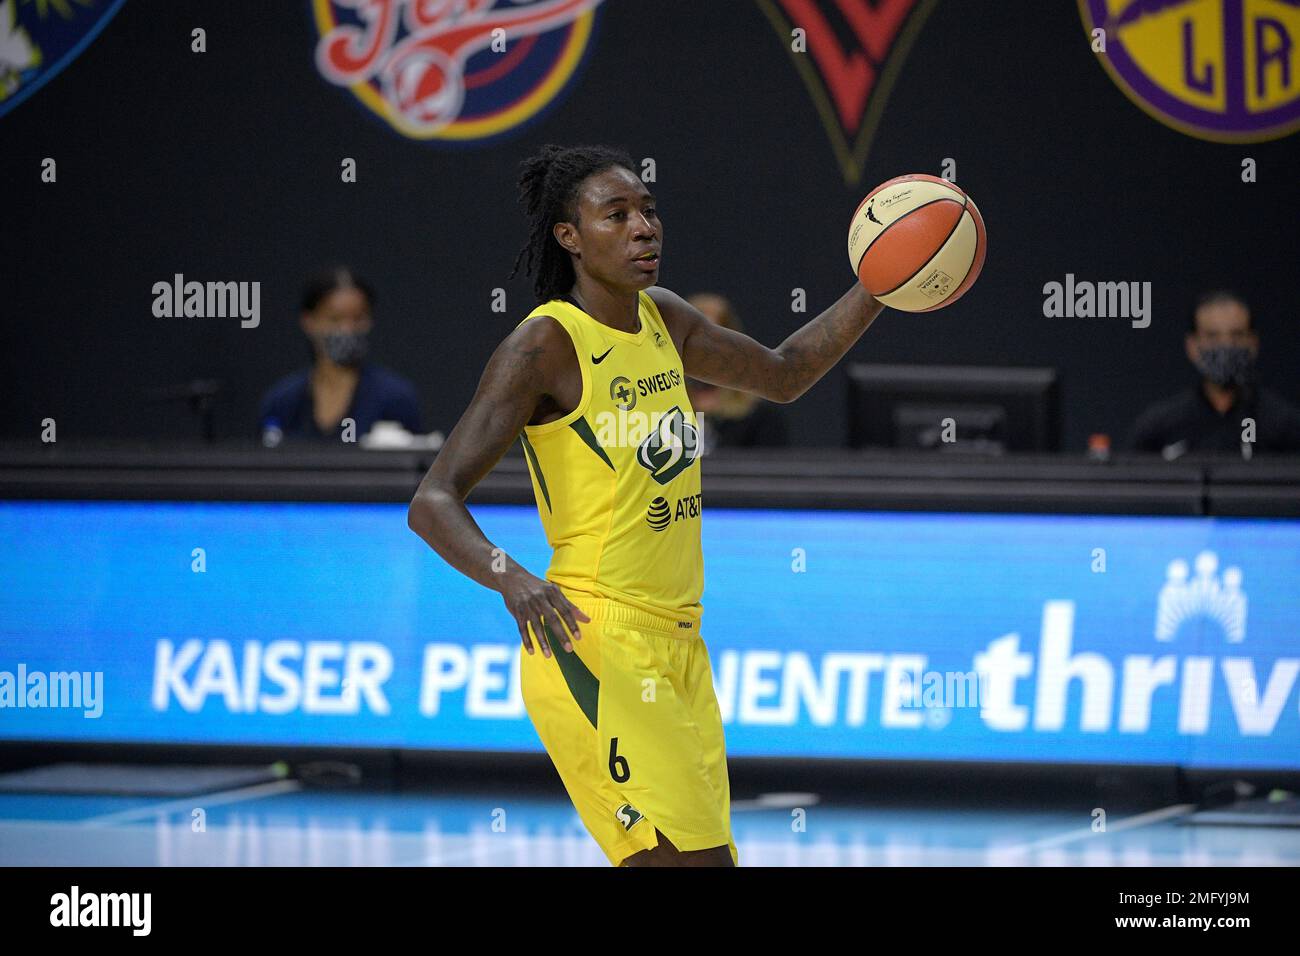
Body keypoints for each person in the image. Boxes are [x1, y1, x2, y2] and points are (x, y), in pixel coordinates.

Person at [406, 144, 883, 867]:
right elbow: (433, 500)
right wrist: (512, 576)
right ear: (569, 235)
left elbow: (784, 375)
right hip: (594, 636)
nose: (644, 228)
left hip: (680, 641)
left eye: (650, 212)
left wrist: (876, 288)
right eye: (617, 214)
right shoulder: (544, 344)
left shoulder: (664, 319)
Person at [1126, 290, 1300, 458]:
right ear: (1192, 346)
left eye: (1237, 335)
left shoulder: (1285, 428)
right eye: (1212, 336)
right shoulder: (1158, 428)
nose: (1226, 345)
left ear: (1253, 343)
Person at [258, 268, 422, 444]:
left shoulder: (395, 398)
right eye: (335, 319)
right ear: (309, 321)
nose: (347, 330)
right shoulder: (282, 401)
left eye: (358, 319)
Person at [685, 293, 789, 451]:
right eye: (695, 344)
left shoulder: (759, 418)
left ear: (732, 345)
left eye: (713, 342)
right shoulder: (658, 411)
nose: (704, 354)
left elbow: (772, 470)